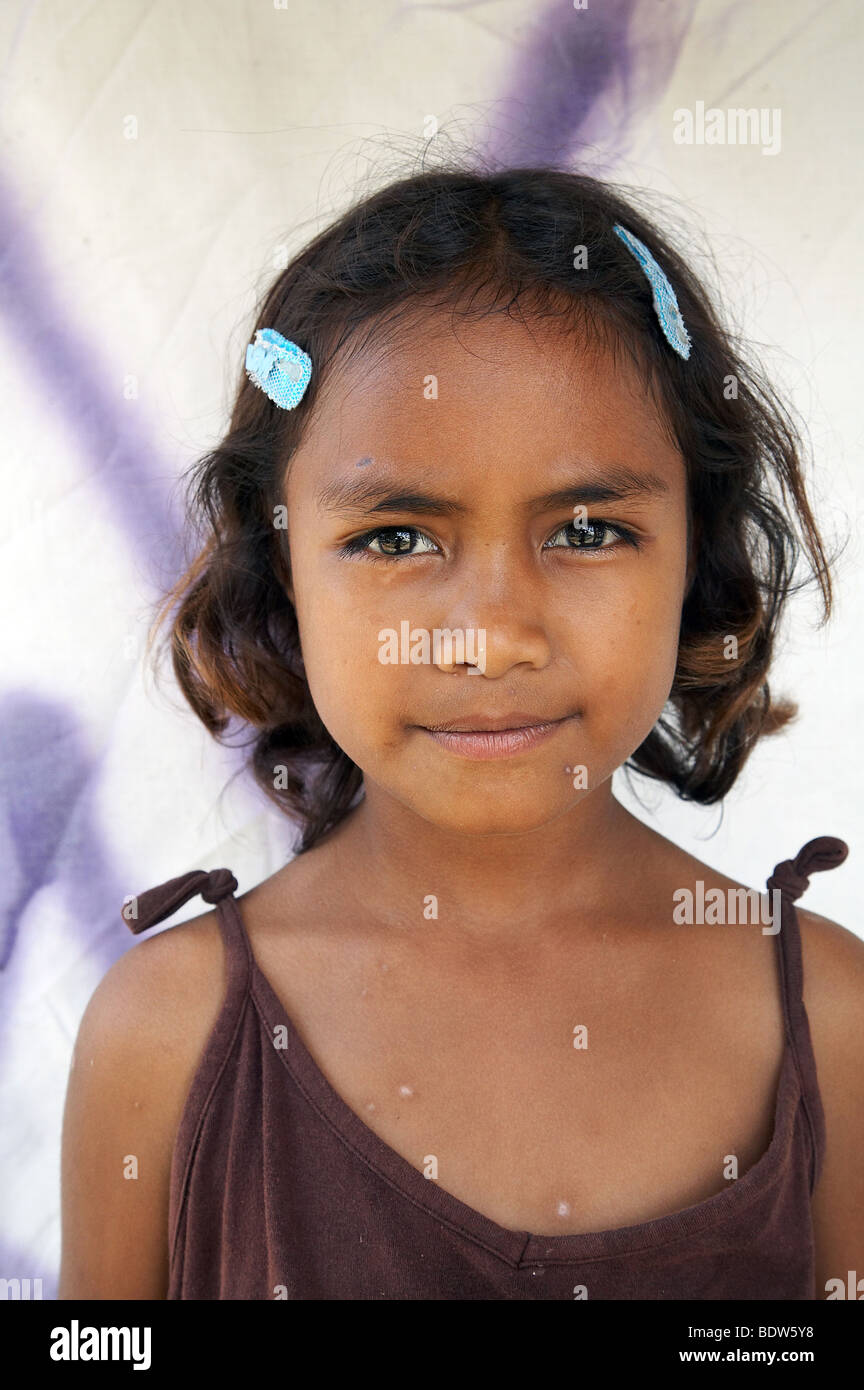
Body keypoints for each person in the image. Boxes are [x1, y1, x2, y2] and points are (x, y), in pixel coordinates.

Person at [58, 166, 861, 1300]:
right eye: (395, 538)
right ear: (279, 568)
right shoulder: (169, 1036)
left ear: (703, 553)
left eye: (587, 528)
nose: (489, 637)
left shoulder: (830, 1021)